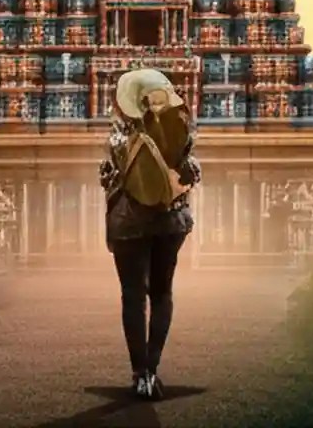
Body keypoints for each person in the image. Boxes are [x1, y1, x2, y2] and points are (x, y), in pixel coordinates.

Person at [99, 68, 201, 400]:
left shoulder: (118, 134)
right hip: (170, 222)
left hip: (130, 222)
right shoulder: (183, 130)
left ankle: (140, 373)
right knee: (161, 292)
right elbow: (190, 170)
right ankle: (152, 369)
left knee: (133, 295)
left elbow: (110, 176)